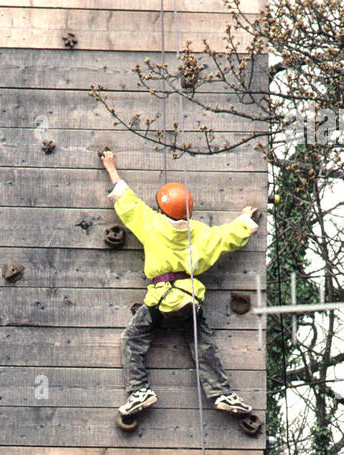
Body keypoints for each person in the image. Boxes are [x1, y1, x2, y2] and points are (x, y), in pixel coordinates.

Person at [99, 149, 261, 422]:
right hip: (188, 302)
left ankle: (139, 390)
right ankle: (221, 392)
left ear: (162, 208)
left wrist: (110, 166)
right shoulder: (199, 233)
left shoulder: (152, 223)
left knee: (132, 340)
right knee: (203, 345)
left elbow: (127, 203)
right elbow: (227, 237)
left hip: (160, 301)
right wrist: (247, 218)